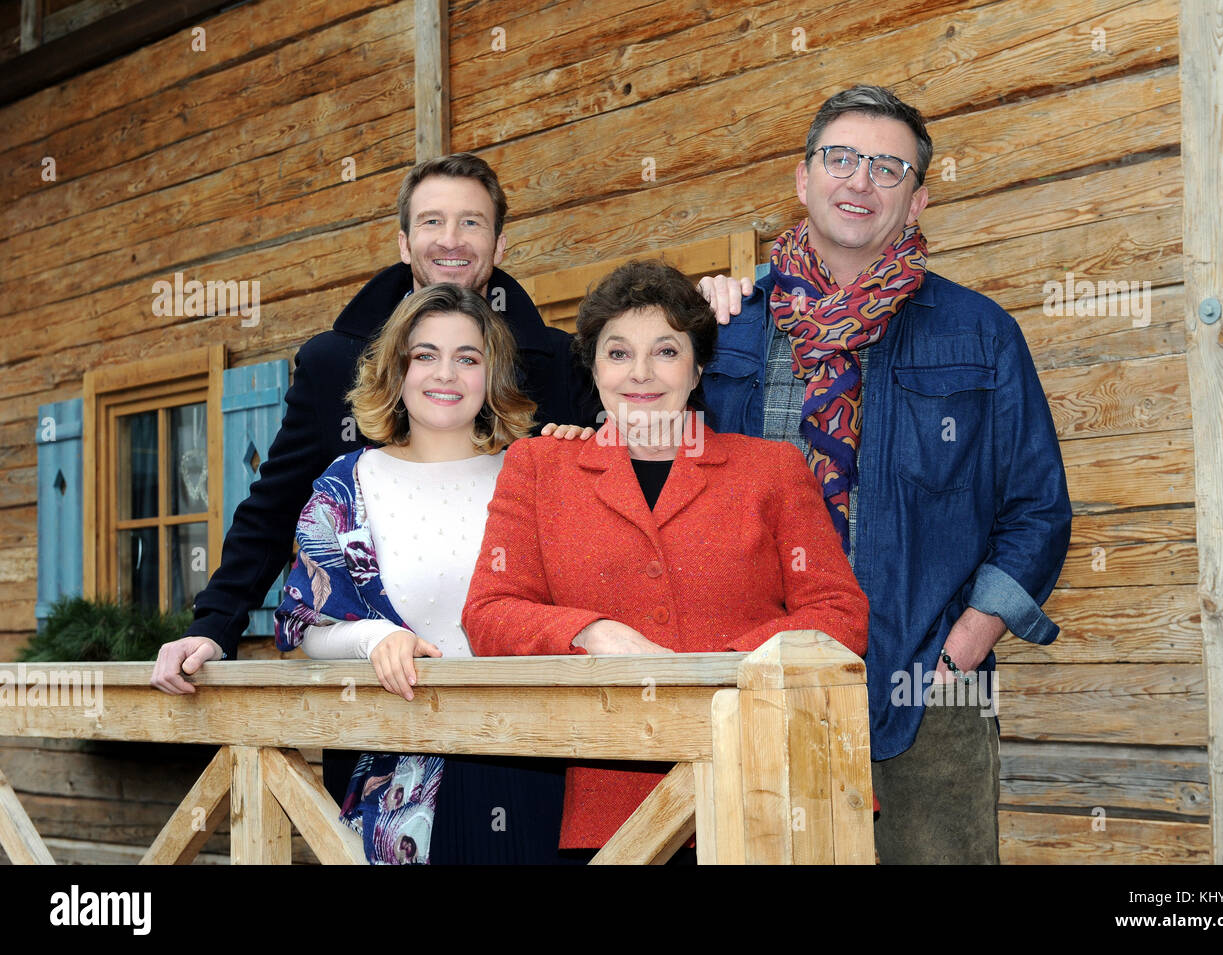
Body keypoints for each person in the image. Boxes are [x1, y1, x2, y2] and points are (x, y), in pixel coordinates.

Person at [696, 85, 1072, 863]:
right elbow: (649, 461)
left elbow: (1037, 508)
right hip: (750, 686)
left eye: (887, 166)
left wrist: (963, 647)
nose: (860, 181)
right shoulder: (725, 329)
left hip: (928, 697)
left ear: (918, 198)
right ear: (803, 180)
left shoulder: (982, 333)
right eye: (841, 158)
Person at [149, 154, 589, 804]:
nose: (450, 238)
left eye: (471, 222)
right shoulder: (333, 364)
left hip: (528, 731)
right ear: (404, 241)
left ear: (499, 242)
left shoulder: (556, 364)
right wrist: (214, 624)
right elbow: (273, 509)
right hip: (381, 717)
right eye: (432, 220)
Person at [462, 260, 871, 853]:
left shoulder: (771, 469)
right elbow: (490, 611)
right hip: (612, 802)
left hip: (771, 785)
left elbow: (840, 614)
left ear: (699, 364)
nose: (642, 374)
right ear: (594, 367)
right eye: (619, 353)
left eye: (666, 351)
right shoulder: (539, 468)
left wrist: (721, 669)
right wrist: (593, 633)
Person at [274, 282, 571, 864]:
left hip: (533, 760)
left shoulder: (535, 473)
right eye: (425, 355)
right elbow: (304, 623)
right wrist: (375, 638)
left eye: (468, 358)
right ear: (397, 370)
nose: (447, 374)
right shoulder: (347, 481)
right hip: (402, 773)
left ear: (492, 376)